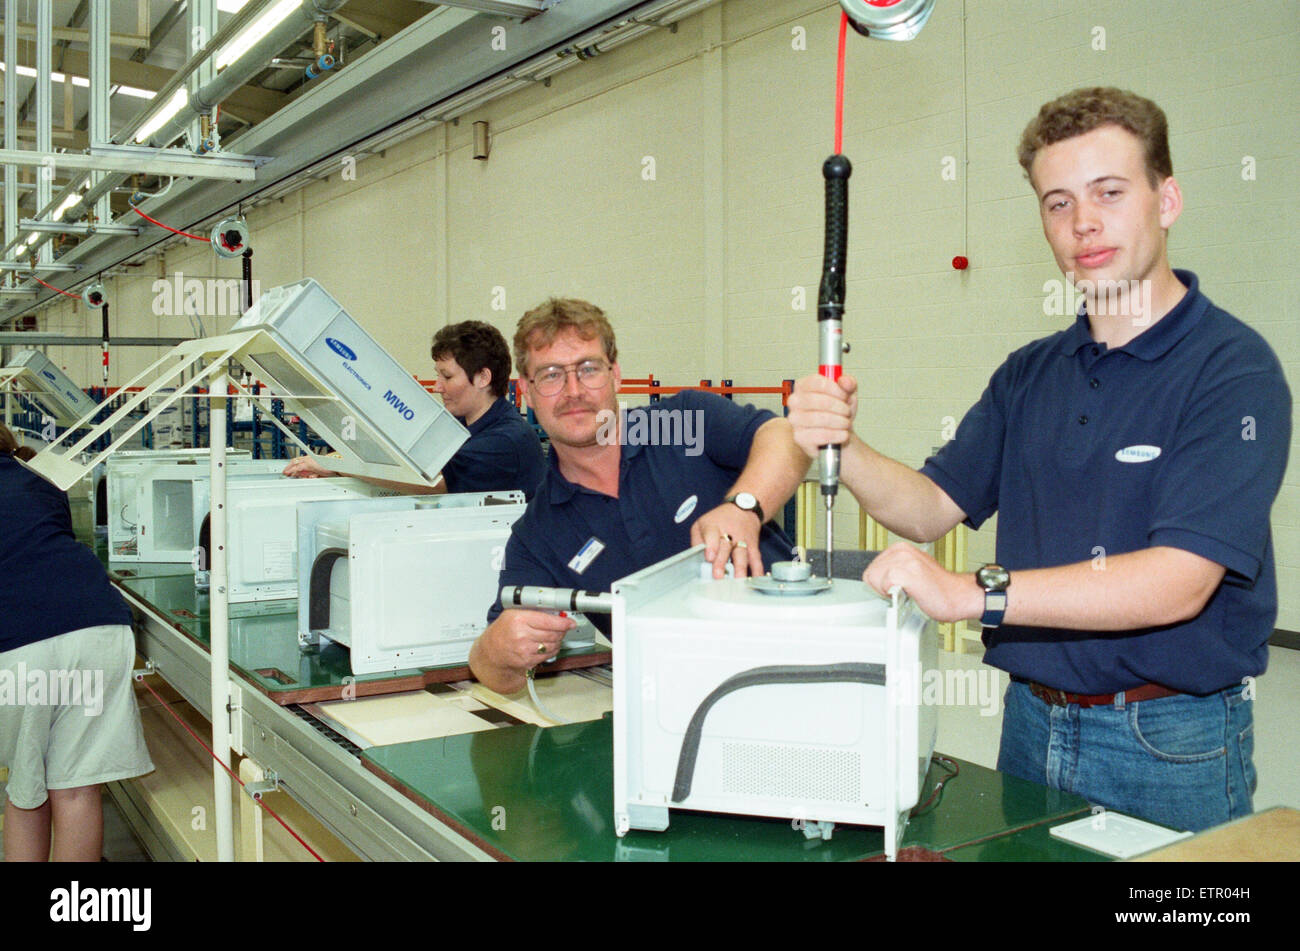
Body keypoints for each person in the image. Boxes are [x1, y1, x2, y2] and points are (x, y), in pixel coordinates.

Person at [786, 87, 1291, 833]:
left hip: (1169, 742)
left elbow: (1178, 582)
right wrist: (843, 445)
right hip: (1031, 723)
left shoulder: (1233, 370)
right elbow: (928, 505)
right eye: (1057, 202)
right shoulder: (1031, 372)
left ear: (1168, 198)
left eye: (1109, 192)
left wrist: (973, 593)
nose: (1082, 222)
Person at [468, 298, 810, 694]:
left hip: (802, 663)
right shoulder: (539, 532)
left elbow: (786, 436)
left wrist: (743, 508)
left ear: (615, 375)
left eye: (589, 369)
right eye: (550, 375)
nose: (573, 391)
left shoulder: (684, 423)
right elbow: (490, 673)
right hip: (686, 706)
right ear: (525, 391)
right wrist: (498, 649)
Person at [0, 423, 155, 861]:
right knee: (74, 788)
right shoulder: (38, 476)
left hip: (22, 646)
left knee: (25, 788)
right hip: (98, 628)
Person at [284, 320, 546, 499]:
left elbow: (430, 481)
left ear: (482, 378)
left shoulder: (506, 439)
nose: (437, 386)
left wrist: (339, 467)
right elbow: (404, 457)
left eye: (447, 376)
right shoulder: (460, 427)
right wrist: (338, 461)